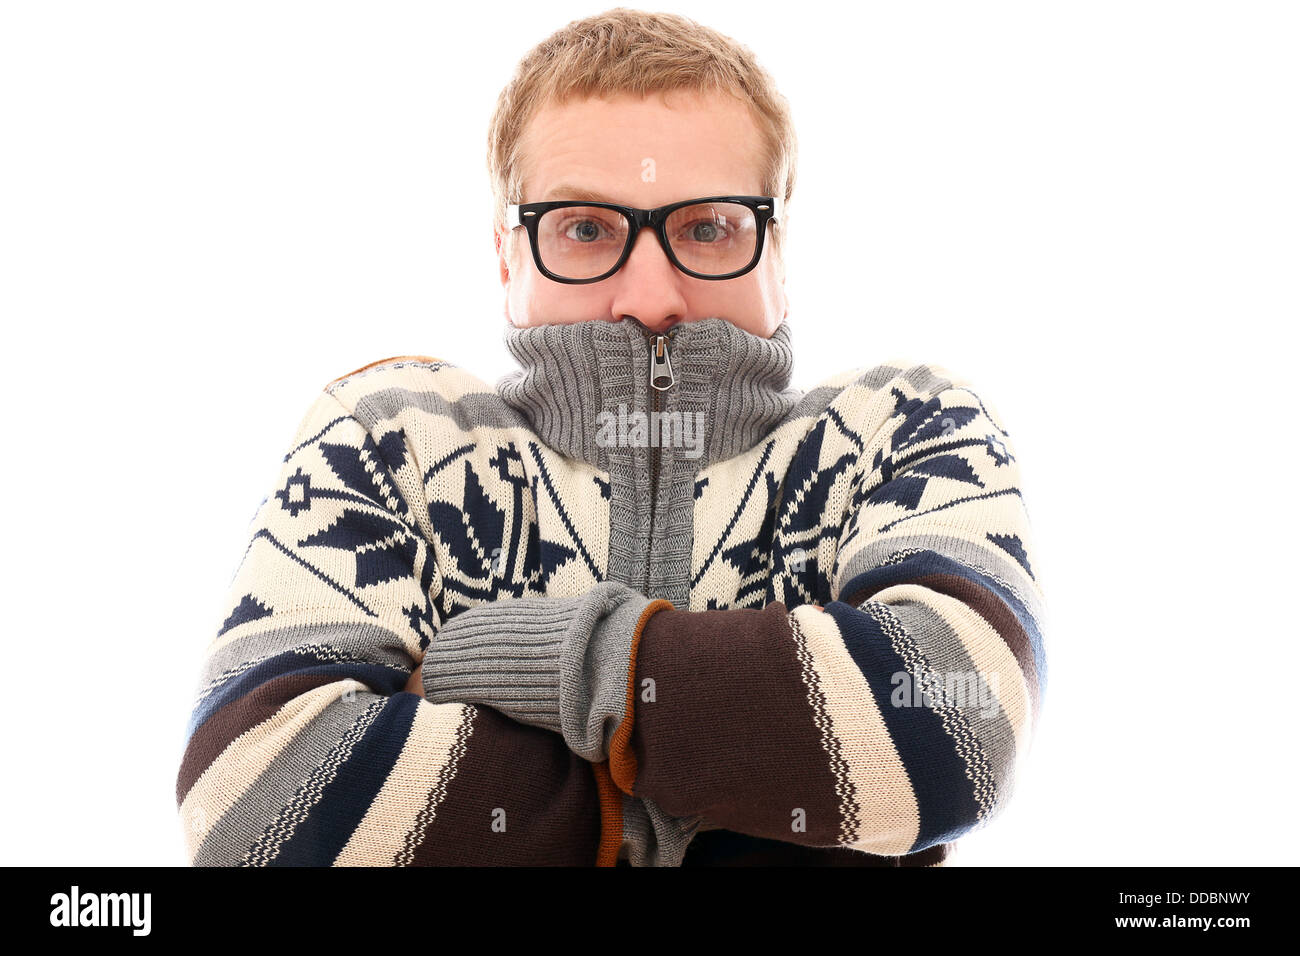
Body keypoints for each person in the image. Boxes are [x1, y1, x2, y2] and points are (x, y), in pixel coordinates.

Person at [176, 7, 1046, 867]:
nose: (649, 293)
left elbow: (956, 724)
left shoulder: (907, 421)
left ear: (777, 254)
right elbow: (256, 813)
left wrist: (540, 662)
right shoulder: (385, 435)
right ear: (507, 259)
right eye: (586, 230)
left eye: (707, 227)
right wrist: (760, 790)